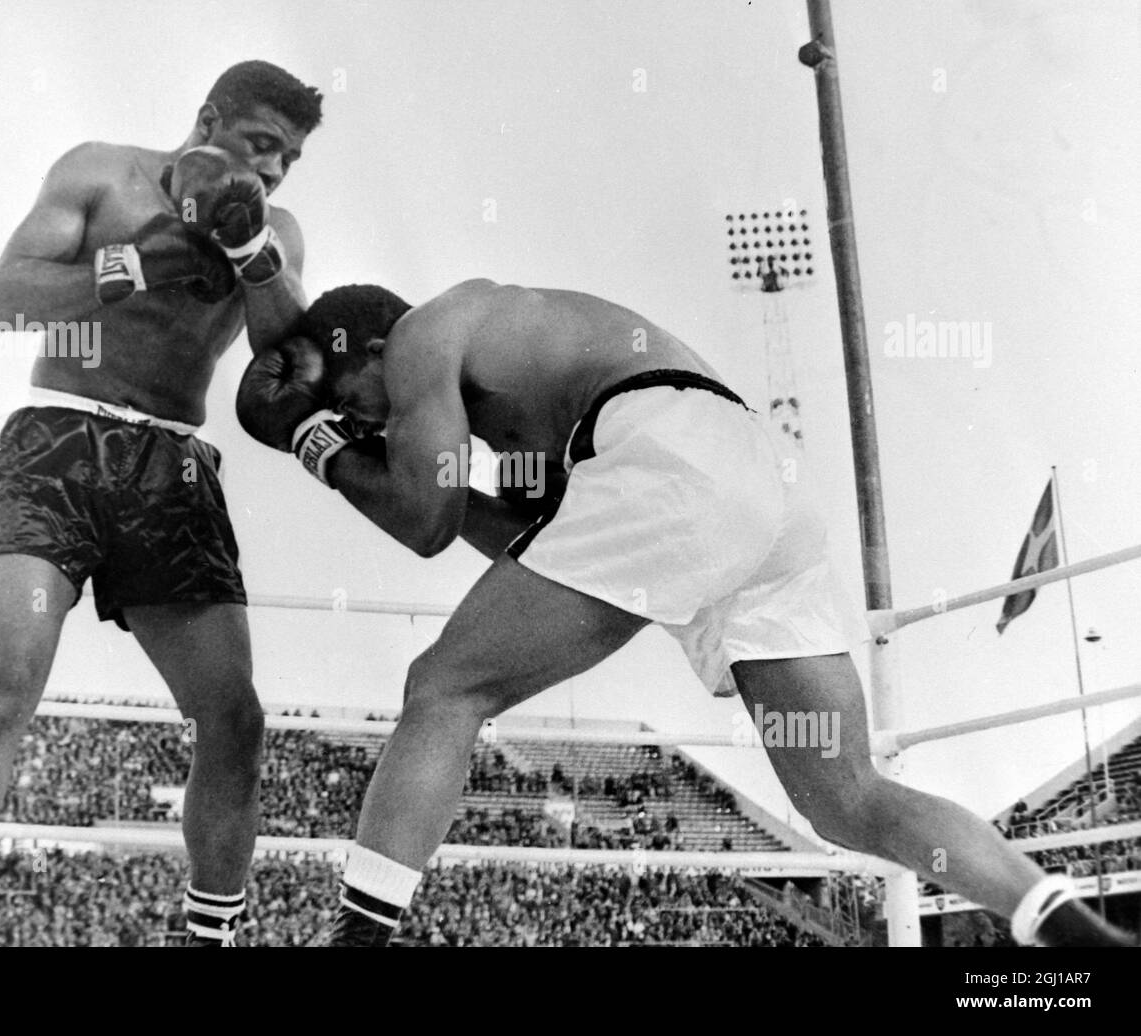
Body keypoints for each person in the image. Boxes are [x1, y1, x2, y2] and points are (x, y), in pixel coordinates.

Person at [239, 278, 1139, 949]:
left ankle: (353, 945)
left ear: (362, 340)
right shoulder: (518, 378)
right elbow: (533, 541)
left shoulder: (426, 334)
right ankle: (1072, 937)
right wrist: (363, 452)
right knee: (846, 798)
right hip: (757, 494)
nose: (363, 423)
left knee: (442, 688)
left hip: (671, 459)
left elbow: (425, 522)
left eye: (347, 401)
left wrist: (319, 450)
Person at [0, 61, 322, 947]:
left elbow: (287, 351)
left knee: (235, 719)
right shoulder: (100, 172)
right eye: (262, 145)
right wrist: (127, 266)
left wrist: (251, 252)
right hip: (58, 438)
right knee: (7, 683)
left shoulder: (278, 228)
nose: (279, 170)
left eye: (291, 156)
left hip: (171, 466)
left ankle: (206, 939)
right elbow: (4, 305)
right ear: (209, 118)